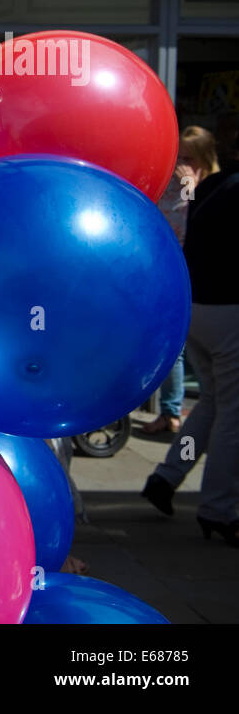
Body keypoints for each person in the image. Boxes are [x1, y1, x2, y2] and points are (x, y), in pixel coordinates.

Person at [142, 125, 239, 548]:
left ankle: (167, 476)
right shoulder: (223, 186)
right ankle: (218, 508)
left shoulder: (217, 185)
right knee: (232, 418)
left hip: (197, 309)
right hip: (227, 311)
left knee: (213, 406)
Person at [145, 127, 218, 434]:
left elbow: (197, 219)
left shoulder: (209, 188)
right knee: (175, 349)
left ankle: (201, 411)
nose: (182, 166)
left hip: (200, 281)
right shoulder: (173, 185)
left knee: (203, 355)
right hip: (170, 274)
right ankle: (171, 412)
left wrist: (192, 183)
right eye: (180, 158)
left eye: (189, 158)